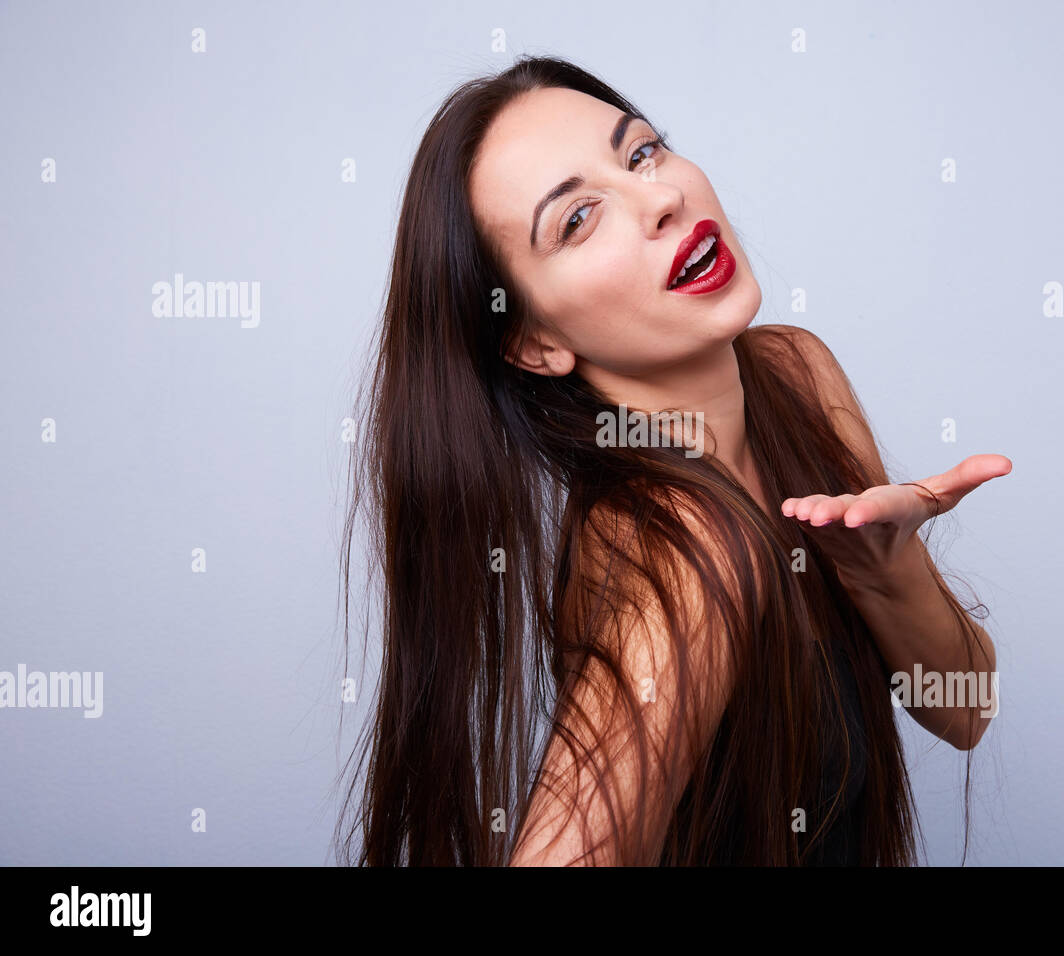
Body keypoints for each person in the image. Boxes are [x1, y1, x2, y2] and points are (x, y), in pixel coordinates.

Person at [336, 54, 1009, 866]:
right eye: (578, 219)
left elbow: (965, 711)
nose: (661, 199)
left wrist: (881, 568)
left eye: (642, 152)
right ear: (535, 340)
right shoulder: (682, 544)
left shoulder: (798, 374)